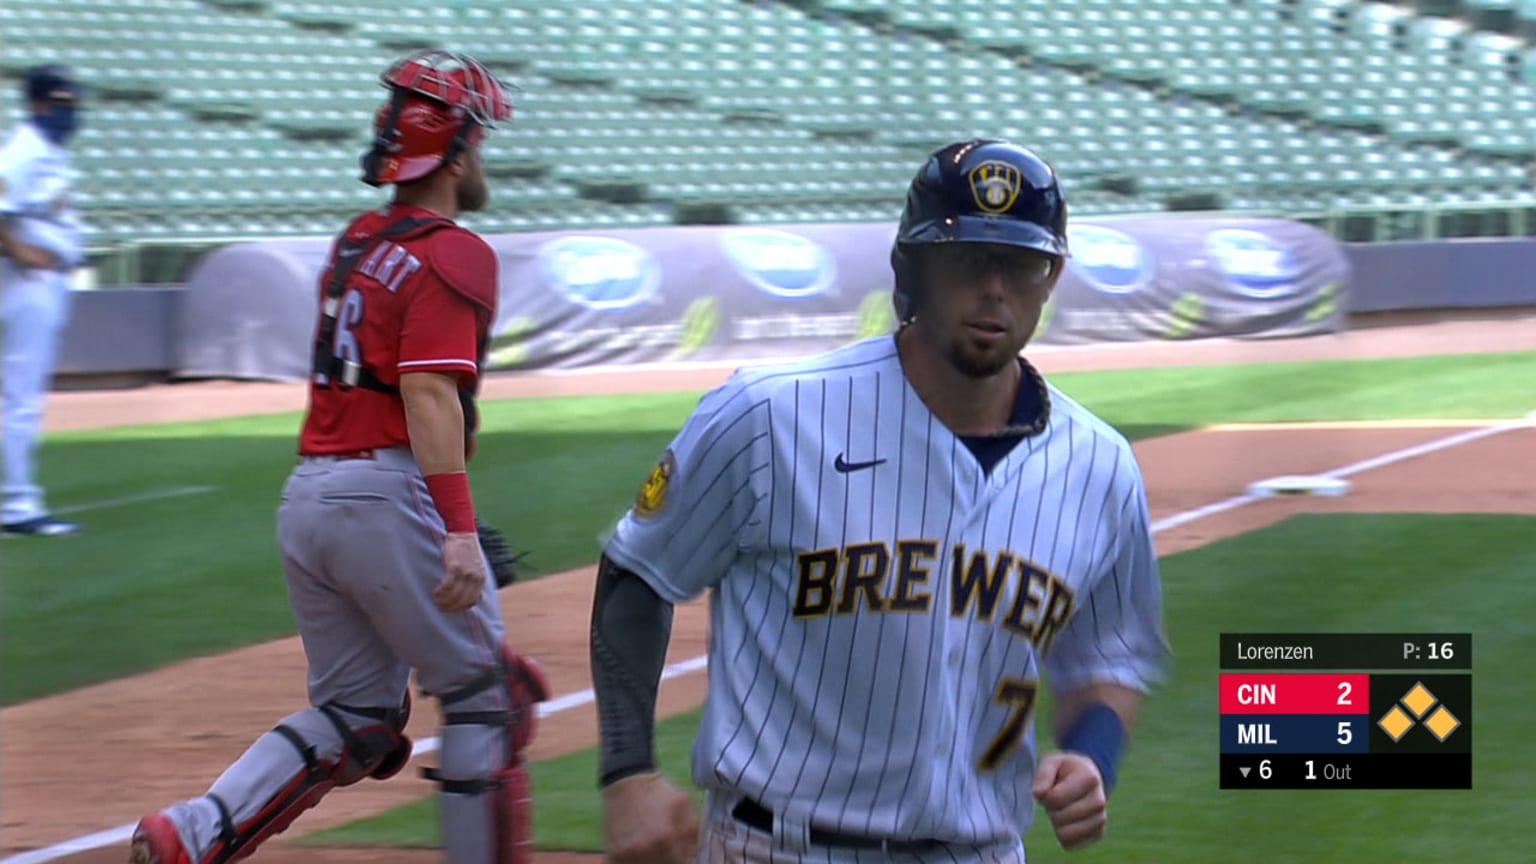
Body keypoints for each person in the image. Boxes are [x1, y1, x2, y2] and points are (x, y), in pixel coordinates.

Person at [590, 139, 1171, 863]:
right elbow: (638, 572)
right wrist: (627, 771)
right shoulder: (770, 414)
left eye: (1020, 264)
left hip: (980, 850)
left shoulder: (1101, 465)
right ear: (914, 269)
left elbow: (1111, 658)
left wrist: (1093, 756)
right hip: (779, 847)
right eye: (967, 260)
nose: (994, 288)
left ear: (1050, 277)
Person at [129, 49, 548, 864]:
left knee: (359, 715)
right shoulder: (455, 251)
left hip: (311, 498)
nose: (484, 159)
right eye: (480, 143)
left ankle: (194, 833)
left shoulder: (357, 240)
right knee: (489, 699)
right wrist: (456, 529)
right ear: (456, 152)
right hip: (384, 495)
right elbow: (428, 395)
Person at [1, 64, 87, 537]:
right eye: (62, 102)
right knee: (19, 397)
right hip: (25, 283)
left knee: (16, 394)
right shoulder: (25, 151)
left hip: (38, 282)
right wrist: (21, 251)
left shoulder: (47, 152)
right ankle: (18, 506)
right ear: (37, 103)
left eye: (74, 103)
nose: (71, 112)